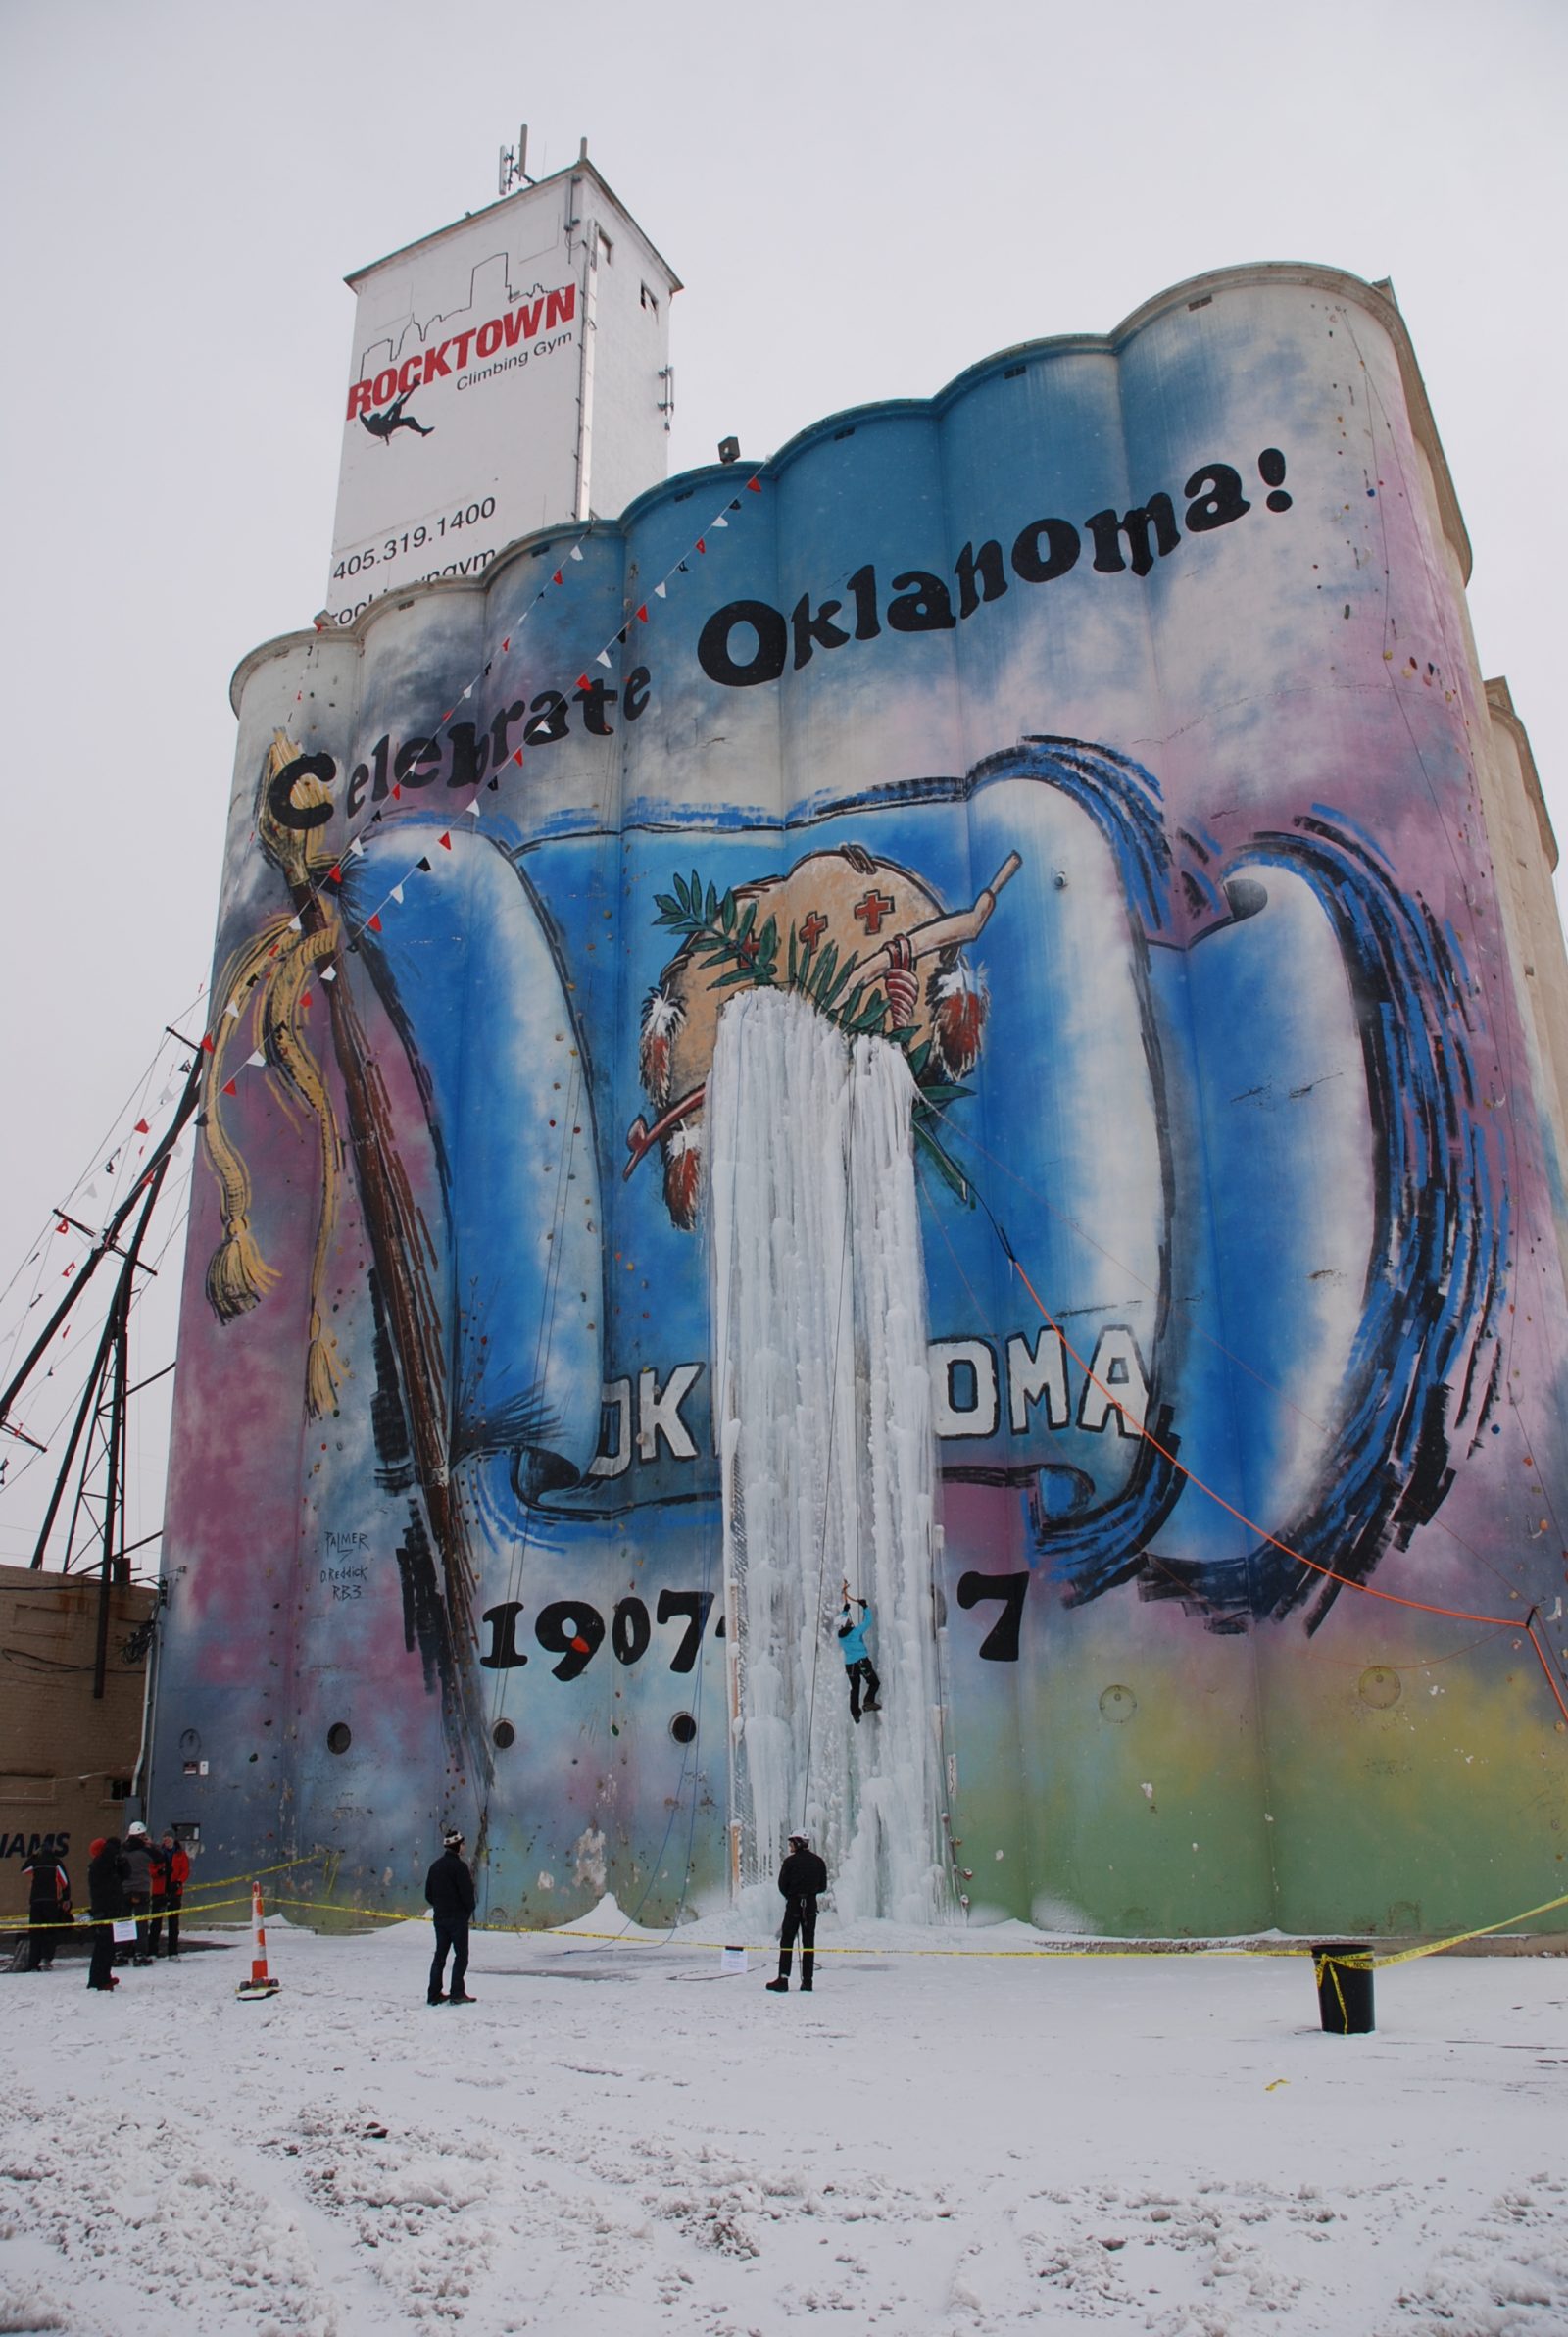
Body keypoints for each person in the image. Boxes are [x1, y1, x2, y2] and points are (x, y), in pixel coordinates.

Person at [766, 1831, 828, 1994]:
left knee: (787, 1941)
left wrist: (792, 1895)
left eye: (791, 1843)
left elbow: (782, 1885)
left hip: (794, 1904)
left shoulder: (790, 1862)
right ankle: (807, 1982)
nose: (790, 1846)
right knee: (808, 1943)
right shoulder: (818, 1861)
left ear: (798, 1843)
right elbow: (823, 1886)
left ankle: (783, 1979)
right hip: (810, 1906)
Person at [423, 1827, 475, 2005]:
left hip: (440, 1918)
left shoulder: (435, 1867)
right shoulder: (460, 1867)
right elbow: (467, 1895)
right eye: (463, 1844)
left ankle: (434, 1994)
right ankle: (457, 1993)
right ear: (457, 1846)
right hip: (457, 1919)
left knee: (440, 1956)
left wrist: (440, 1907)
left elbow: (428, 1894)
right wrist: (467, 1911)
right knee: (461, 1955)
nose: (465, 1846)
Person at [837, 1580, 881, 1723]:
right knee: (874, 1683)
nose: (850, 1622)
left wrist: (845, 1609)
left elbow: (842, 1620)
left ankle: (855, 1713)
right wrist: (865, 1607)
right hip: (862, 1662)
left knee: (855, 1688)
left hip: (850, 1666)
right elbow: (868, 1621)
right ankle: (868, 1701)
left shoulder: (840, 1637)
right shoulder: (855, 1632)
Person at [20, 1848, 71, 1971]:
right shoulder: (56, 1863)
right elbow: (64, 1882)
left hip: (36, 1901)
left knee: (35, 1932)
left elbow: (24, 1870)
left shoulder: (35, 1863)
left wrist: (32, 1856)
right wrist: (66, 1898)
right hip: (51, 1901)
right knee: (50, 1931)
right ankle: (46, 1957)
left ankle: (33, 1962)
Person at [86, 1835, 126, 1991]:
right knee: (103, 1946)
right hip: (104, 1910)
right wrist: (113, 1845)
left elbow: (125, 1874)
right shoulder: (98, 1865)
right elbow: (108, 1854)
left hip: (110, 1908)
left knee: (108, 1947)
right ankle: (98, 1980)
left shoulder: (106, 1867)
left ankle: (104, 1976)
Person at [121, 1821, 154, 1965]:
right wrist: (150, 1845)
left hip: (125, 1890)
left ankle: (120, 1952)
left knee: (123, 1922)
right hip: (141, 1889)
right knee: (141, 1923)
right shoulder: (144, 1852)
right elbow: (159, 1858)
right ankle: (140, 1953)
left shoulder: (122, 1851)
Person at [160, 1832, 190, 1957]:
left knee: (173, 1922)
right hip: (160, 1890)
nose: (166, 1839)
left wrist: (178, 1882)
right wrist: (160, 1872)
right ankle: (152, 1950)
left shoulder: (180, 1854)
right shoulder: (159, 1853)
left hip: (175, 1890)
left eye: (169, 1837)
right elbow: (152, 1867)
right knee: (156, 1922)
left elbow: (185, 1870)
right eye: (165, 1837)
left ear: (173, 1839)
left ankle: (173, 1951)